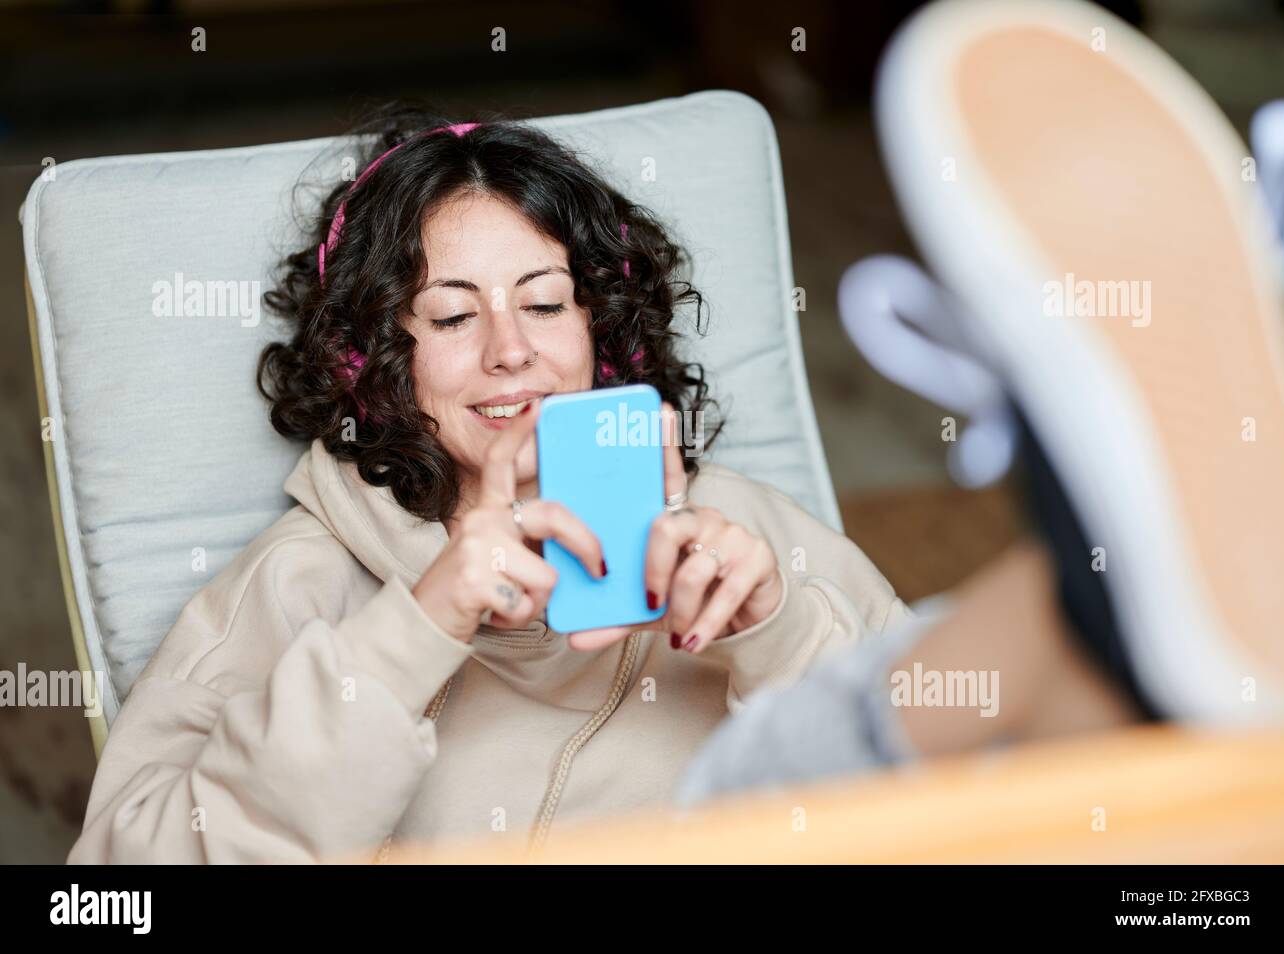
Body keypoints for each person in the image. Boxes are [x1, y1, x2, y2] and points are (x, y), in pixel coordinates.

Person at [67, 105, 909, 863]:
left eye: (545, 305)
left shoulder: (748, 536)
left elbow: (971, 797)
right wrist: (417, 630)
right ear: (370, 359)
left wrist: (781, 637)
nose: (510, 350)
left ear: (600, 332)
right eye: (453, 316)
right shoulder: (294, 589)